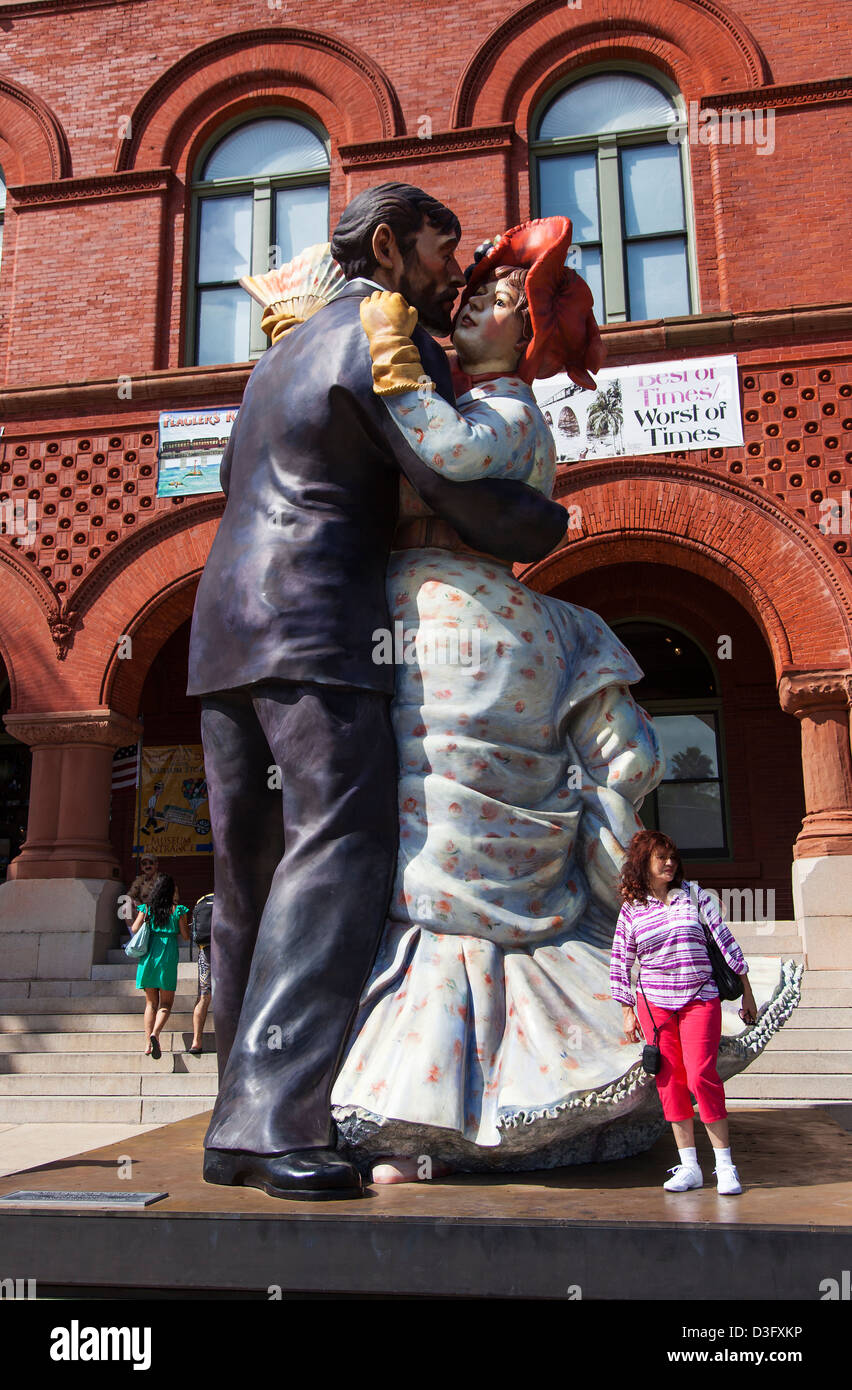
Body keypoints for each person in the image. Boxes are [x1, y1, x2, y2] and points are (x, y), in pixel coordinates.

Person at [328, 218, 801, 1180]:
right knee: (435, 841)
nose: (475, 305)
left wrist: (390, 360)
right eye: (478, 292)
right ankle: (447, 1111)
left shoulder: (499, 412)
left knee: (448, 849)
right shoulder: (467, 394)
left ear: (530, 342)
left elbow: (447, 455)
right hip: (448, 615)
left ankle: (459, 1107)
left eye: (502, 303)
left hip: (465, 619)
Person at [186, 183, 571, 1201]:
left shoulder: (279, 351)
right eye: (447, 252)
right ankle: (276, 1122)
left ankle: (240, 1116)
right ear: (394, 247)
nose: (458, 275)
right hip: (317, 624)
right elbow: (449, 483)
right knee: (337, 851)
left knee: (248, 875)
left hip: (224, 628)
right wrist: (543, 523)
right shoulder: (381, 331)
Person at [610, 830, 758, 1196]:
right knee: (670, 1080)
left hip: (699, 997)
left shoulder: (695, 896)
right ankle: (689, 1166)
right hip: (654, 1003)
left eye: (672, 856)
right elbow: (620, 961)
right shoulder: (633, 908)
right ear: (643, 863)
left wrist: (747, 995)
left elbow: (726, 943)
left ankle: (725, 1166)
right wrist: (627, 1010)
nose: (669, 863)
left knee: (702, 1074)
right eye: (661, 857)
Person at [129, 874, 190, 1060]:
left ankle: (148, 1042)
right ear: (171, 891)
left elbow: (134, 929)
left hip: (149, 956)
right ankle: (156, 1032)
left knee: (150, 1003)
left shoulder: (146, 908)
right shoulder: (178, 910)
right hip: (168, 956)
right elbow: (186, 936)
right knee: (166, 1003)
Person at [189, 891, 214, 1055]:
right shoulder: (228, 898)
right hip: (226, 952)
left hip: (205, 952)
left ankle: (196, 1041)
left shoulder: (201, 900)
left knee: (204, 996)